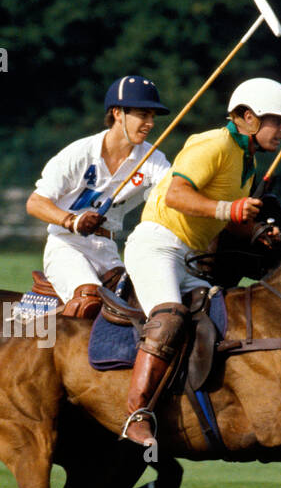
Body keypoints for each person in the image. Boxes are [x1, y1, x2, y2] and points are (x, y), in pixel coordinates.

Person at [120, 77, 281, 447]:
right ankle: (136, 413)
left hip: (189, 256)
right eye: (277, 121)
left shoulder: (246, 162)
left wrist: (254, 233)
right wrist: (230, 208)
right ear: (246, 117)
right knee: (169, 318)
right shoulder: (213, 143)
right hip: (156, 244)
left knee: (219, 320)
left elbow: (226, 222)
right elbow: (176, 194)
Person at [26, 76, 172, 316]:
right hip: (66, 245)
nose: (150, 124)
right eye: (143, 115)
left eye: (152, 117)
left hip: (107, 249)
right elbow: (35, 203)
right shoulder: (79, 154)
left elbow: (173, 192)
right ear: (117, 113)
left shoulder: (152, 159)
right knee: (89, 299)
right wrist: (71, 221)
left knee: (137, 305)